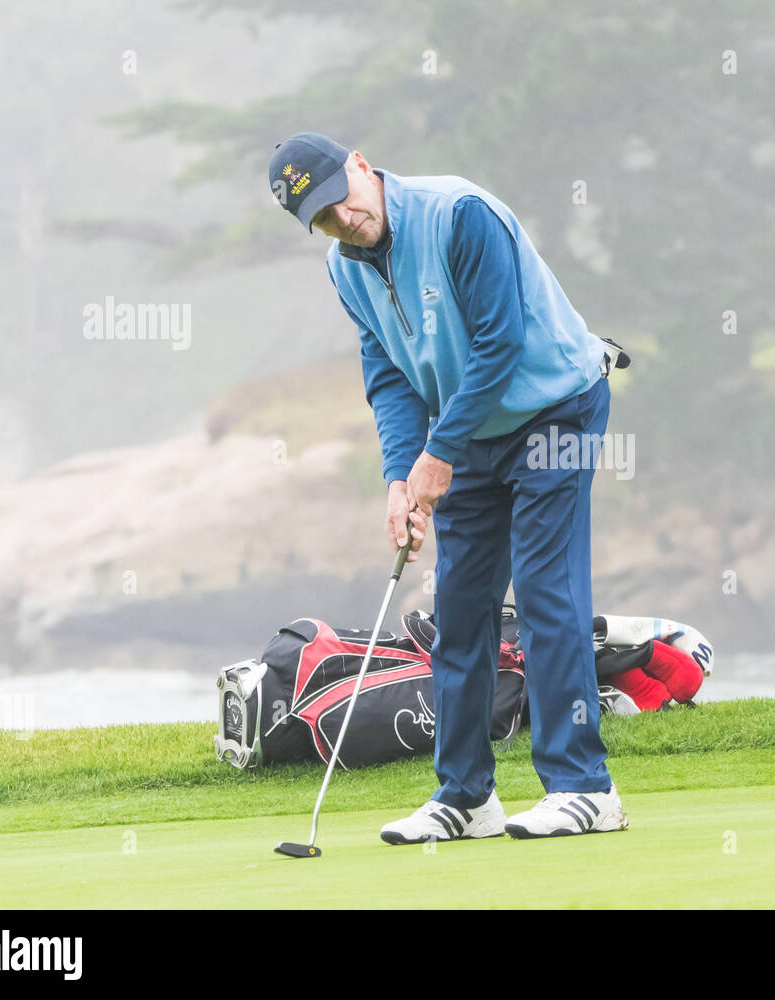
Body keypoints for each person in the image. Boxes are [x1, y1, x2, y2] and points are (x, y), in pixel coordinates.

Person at [267, 132, 629, 838]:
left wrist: (440, 455)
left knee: (546, 589)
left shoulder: (459, 215)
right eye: (324, 220)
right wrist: (400, 476)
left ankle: (586, 788)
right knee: (460, 608)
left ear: (362, 168)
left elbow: (500, 346)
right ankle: (466, 796)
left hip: (554, 408)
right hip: (466, 435)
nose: (344, 221)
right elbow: (391, 373)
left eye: (343, 201)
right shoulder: (346, 270)